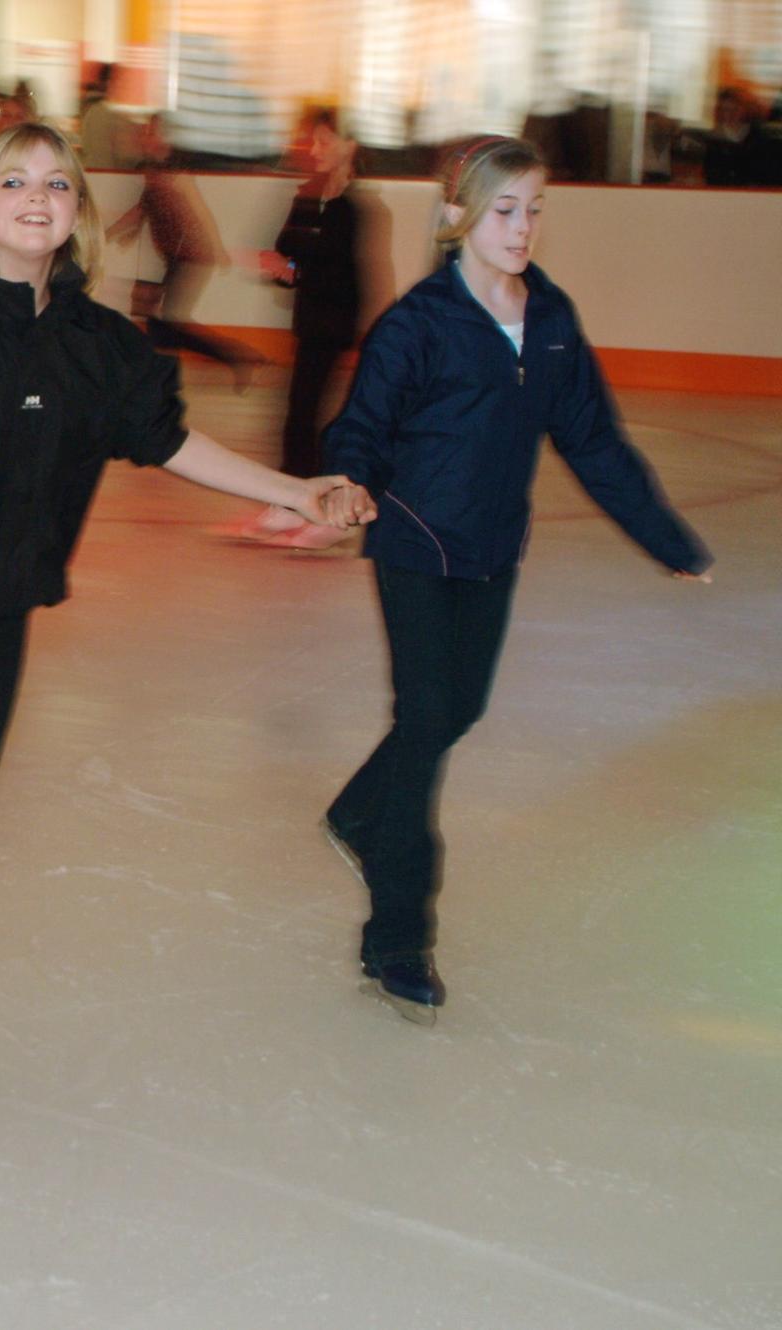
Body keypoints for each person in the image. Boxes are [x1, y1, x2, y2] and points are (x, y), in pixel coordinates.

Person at [0, 123, 373, 1109]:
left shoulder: (98, 347)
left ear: (76, 217)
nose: (34, 196)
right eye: (12, 180)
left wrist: (293, 488)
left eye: (56, 184)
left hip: (3, 587)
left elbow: (169, 442)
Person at [319, 136, 713, 1023]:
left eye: (535, 209)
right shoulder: (419, 323)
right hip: (415, 545)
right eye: (505, 208)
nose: (523, 226)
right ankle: (397, 942)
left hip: (493, 549)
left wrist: (667, 538)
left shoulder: (554, 320)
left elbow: (595, 442)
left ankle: (355, 808)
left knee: (461, 710)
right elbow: (361, 427)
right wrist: (348, 482)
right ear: (458, 215)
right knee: (425, 725)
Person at [237, 108, 366, 548]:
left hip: (335, 323)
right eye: (313, 142)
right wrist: (282, 267)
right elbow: (285, 252)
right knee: (297, 415)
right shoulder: (307, 196)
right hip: (309, 321)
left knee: (307, 416)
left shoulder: (354, 207)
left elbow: (343, 274)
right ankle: (292, 501)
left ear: (349, 145)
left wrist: (296, 271)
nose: (316, 150)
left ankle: (311, 506)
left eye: (325, 141)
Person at [107, 113, 264, 390]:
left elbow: (200, 211)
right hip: (177, 256)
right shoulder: (154, 169)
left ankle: (236, 356)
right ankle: (166, 380)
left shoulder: (175, 170)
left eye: (151, 132)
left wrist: (217, 248)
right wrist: (115, 233)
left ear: (165, 138)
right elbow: (143, 209)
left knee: (168, 322)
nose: (145, 137)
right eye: (145, 132)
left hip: (192, 254)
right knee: (162, 322)